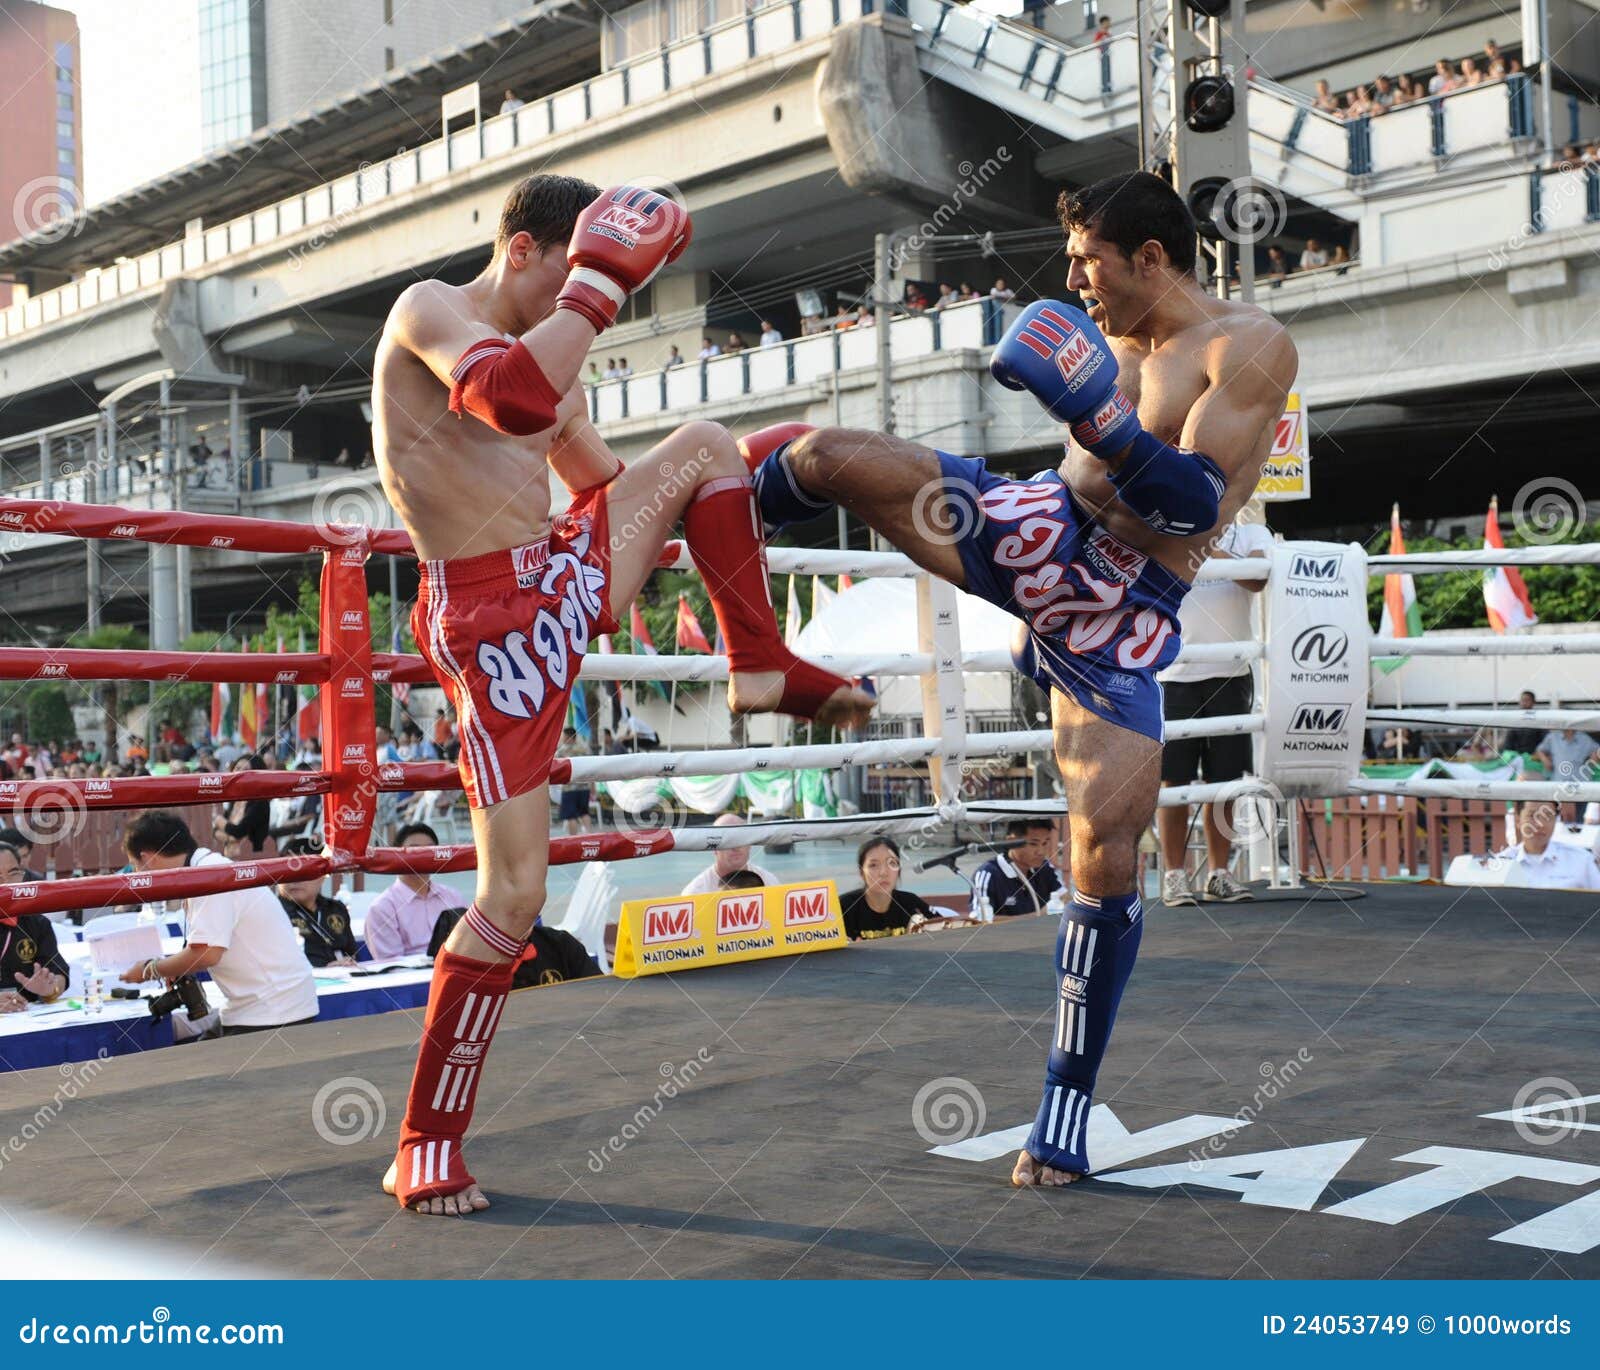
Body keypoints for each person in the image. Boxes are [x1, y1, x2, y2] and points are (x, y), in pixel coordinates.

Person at [747, 170, 1295, 1187]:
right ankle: (668, 541)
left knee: (1106, 856)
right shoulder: (1110, 343)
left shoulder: (1244, 346)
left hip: (1116, 609)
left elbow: (1188, 506)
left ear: (1151, 258)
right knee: (824, 457)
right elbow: (1084, 465)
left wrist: (1099, 417)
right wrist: (1094, 414)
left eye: (1089, 262)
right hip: (1030, 527)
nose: (1074, 281)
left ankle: (1063, 1108)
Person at [373, 177, 872, 1214]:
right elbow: (503, 396)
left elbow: (599, 479)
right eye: (570, 269)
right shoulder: (431, 310)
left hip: (551, 584)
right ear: (522, 251)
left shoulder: (553, 353)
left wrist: (739, 486)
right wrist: (596, 283)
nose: (585, 299)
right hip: (487, 629)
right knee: (513, 895)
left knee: (702, 445)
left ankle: (760, 664)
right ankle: (425, 1138)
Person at [1157, 514, 1271, 905]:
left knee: (1224, 783)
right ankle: (1174, 875)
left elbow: (1258, 578)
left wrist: (1208, 547)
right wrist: (1201, 543)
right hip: (1175, 672)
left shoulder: (1253, 529)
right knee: (1174, 783)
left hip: (1233, 671)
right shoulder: (1170, 524)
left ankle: (1219, 874)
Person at [117, 811, 318, 1034]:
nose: (137, 875)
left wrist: (150, 969)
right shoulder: (206, 868)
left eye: (135, 866)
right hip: (271, 1006)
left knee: (196, 1065)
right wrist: (171, 966)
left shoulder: (208, 874)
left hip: (273, 1013)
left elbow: (206, 954)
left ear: (148, 858)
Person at [362, 822, 458, 962]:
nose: (423, 857)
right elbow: (391, 965)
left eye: (430, 850)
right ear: (397, 855)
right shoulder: (382, 908)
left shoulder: (453, 896)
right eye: (414, 851)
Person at [0, 842, 69, 1013]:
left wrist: (50, 990)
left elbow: (57, 972)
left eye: (13, 873)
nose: (6, 884)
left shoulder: (36, 923)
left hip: (27, 1019)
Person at [275, 838, 359, 967]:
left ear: (324, 874)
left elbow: (353, 954)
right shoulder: (272, 912)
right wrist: (324, 969)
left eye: (304, 871)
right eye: (287, 871)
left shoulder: (336, 908)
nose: (295, 879)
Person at [839, 836, 936, 940]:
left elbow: (946, 929)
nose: (883, 873)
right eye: (873, 865)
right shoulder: (843, 907)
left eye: (892, 863)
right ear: (861, 872)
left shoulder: (910, 903)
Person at [971, 820, 1065, 918]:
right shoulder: (987, 874)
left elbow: (1066, 898)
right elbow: (980, 920)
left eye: (1045, 843)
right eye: (1033, 844)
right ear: (1011, 841)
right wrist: (1038, 916)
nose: (1041, 852)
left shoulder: (1045, 867)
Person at [1499, 799, 1600, 890]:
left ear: (1556, 820)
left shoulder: (1581, 861)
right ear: (1517, 820)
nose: (1540, 824)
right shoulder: (1501, 864)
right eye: (1531, 815)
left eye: (1547, 816)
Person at [680, 814, 777, 895]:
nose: (736, 847)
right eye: (728, 841)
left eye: (741, 839)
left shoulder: (769, 882)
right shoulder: (696, 893)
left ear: (750, 844)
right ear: (714, 848)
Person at [213, 752, 270, 855]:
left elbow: (239, 831)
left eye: (245, 770)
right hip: (230, 857)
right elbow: (215, 832)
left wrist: (218, 820)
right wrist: (230, 838)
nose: (239, 773)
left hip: (251, 860)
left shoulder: (260, 802)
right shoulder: (235, 799)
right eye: (237, 768)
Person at [554, 726, 593, 835]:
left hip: (569, 788)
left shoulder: (562, 751)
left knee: (571, 816)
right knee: (584, 813)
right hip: (584, 787)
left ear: (570, 737)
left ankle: (573, 839)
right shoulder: (585, 749)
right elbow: (592, 768)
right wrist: (593, 787)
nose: (562, 739)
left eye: (564, 737)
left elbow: (555, 766)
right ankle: (590, 836)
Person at [1503, 691, 1543, 755]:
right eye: (1522, 700)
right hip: (1517, 757)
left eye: (1527, 700)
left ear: (1533, 702)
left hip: (1534, 757)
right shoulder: (1515, 720)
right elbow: (1508, 743)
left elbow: (1544, 742)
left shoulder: (1539, 720)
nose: (1524, 703)